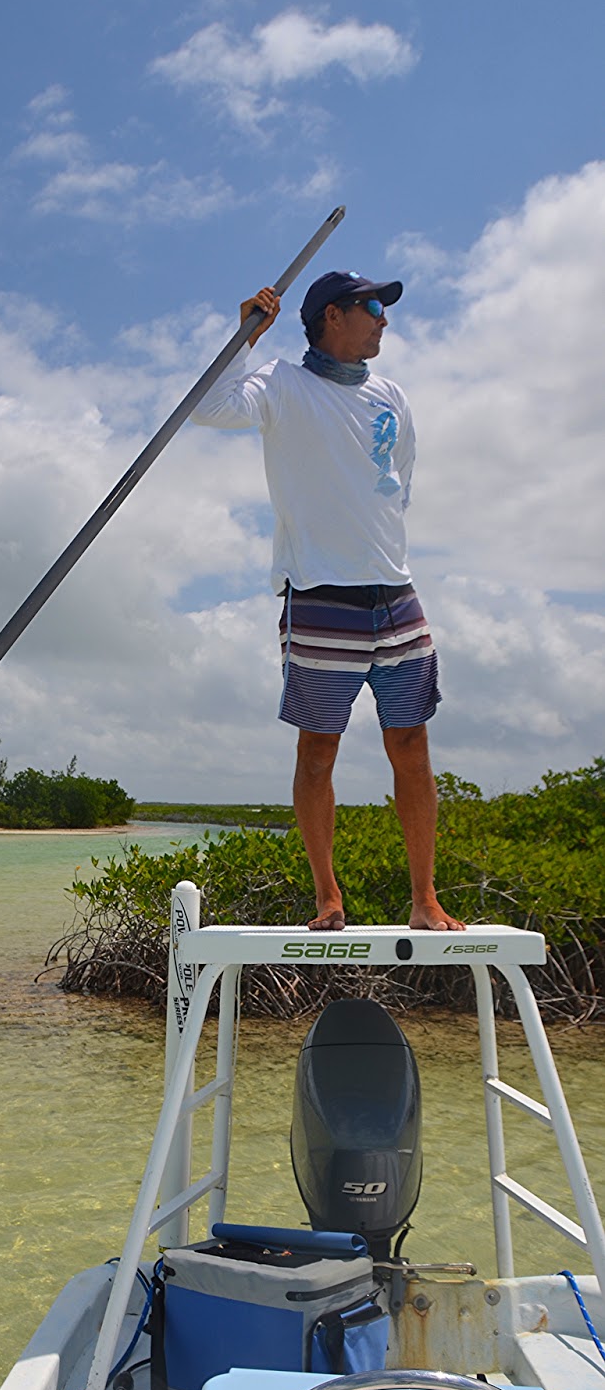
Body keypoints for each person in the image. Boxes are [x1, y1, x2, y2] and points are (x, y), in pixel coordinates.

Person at [191, 269, 464, 933]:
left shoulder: (391, 394)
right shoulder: (281, 382)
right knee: (318, 751)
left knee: (412, 745)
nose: (383, 319)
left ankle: (424, 900)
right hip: (318, 593)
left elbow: (399, 480)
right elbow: (208, 406)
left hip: (393, 592)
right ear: (330, 317)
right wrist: (243, 336)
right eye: (371, 306)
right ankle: (326, 897)